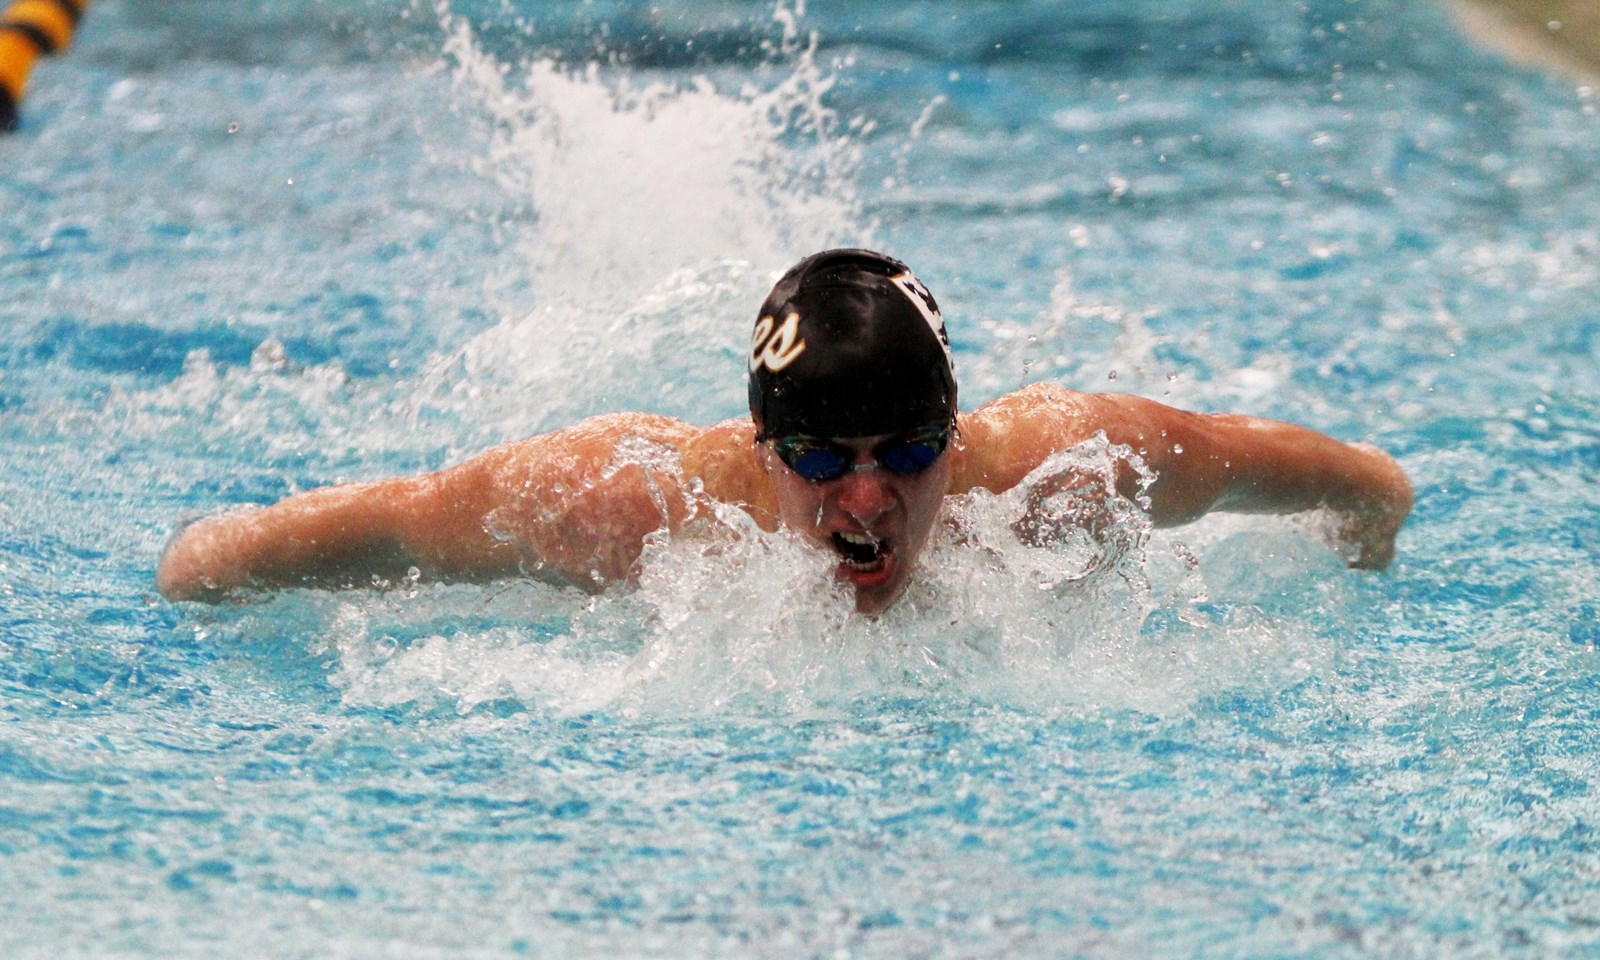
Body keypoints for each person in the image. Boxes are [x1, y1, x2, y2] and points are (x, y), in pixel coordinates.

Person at [156, 249, 1414, 614]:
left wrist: (1367, 551)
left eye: (906, 454)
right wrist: (206, 569)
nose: (864, 504)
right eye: (818, 459)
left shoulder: (1067, 466)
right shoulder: (630, 497)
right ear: (760, 448)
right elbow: (369, 524)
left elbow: (1364, 482)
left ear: (955, 430)